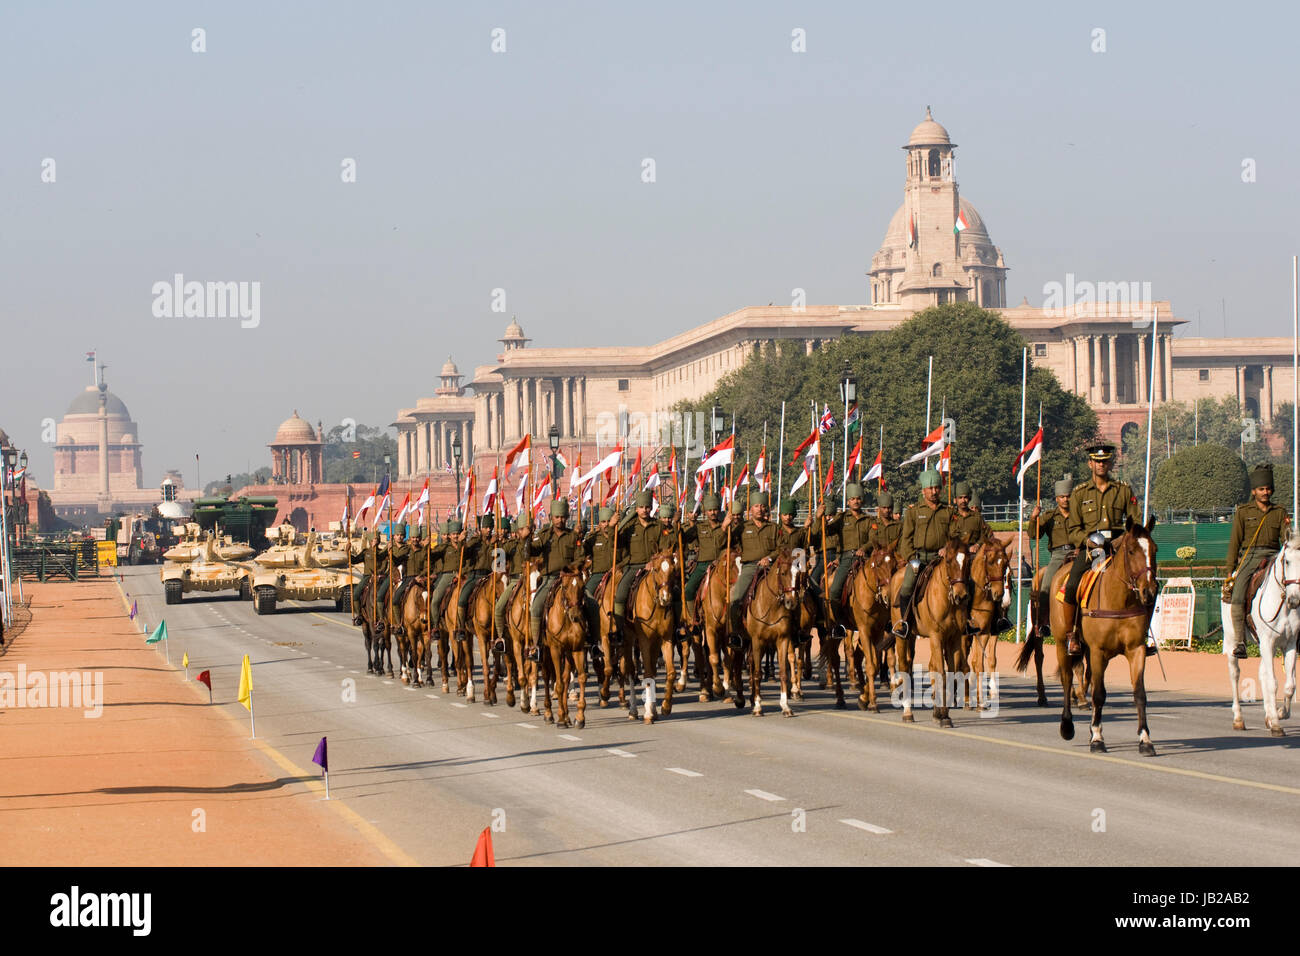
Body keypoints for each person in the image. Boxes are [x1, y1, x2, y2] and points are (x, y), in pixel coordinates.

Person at [1060, 443, 1145, 655]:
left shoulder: (1123, 490)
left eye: (1105, 461)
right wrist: (1087, 542)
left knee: (1148, 582)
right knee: (1071, 586)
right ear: (1090, 464)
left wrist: (1128, 539)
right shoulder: (1079, 494)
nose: (1101, 465)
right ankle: (1073, 635)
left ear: (1111, 464)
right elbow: (1073, 530)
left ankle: (1144, 634)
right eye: (1097, 461)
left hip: (1119, 548)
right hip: (1093, 550)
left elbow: (1135, 522)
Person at [1223, 464, 1291, 659]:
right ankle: (1240, 642)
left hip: (1274, 555)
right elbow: (1235, 542)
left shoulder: (1279, 512)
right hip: (1250, 556)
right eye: (1261, 489)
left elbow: (1285, 540)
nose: (1265, 492)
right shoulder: (1243, 512)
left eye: (1268, 489)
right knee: (1237, 596)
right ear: (1254, 491)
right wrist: (1230, 569)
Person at [893, 469, 955, 637]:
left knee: (963, 583)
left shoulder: (948, 511)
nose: (934, 492)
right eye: (930, 488)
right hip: (919, 559)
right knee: (906, 587)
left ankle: (966, 620)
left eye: (937, 488)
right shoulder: (914, 512)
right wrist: (912, 559)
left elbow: (955, 536)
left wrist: (947, 548)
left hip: (941, 559)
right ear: (923, 490)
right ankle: (904, 622)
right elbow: (905, 539)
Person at [818, 483, 873, 630]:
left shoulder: (868, 520)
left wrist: (864, 548)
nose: (856, 501)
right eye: (853, 499)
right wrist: (820, 518)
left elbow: (874, 539)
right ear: (848, 501)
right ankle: (838, 623)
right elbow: (827, 531)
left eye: (858, 498)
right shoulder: (841, 518)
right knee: (835, 590)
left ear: (862, 500)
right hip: (846, 559)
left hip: (865, 559)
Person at [527, 500, 582, 645]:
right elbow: (531, 551)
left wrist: (569, 569)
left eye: (563, 517)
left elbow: (580, 558)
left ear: (567, 517)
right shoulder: (544, 536)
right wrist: (526, 538)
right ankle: (536, 645)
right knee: (536, 607)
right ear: (551, 517)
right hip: (549, 579)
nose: (560, 520)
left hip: (569, 579)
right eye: (557, 517)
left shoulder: (572, 536)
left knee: (591, 603)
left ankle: (593, 642)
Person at [728, 492, 779, 641]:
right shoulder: (743, 527)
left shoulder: (773, 527)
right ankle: (736, 633)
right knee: (735, 598)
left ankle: (793, 630)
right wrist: (726, 525)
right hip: (750, 567)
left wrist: (769, 558)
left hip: (770, 567)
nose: (760, 509)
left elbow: (781, 548)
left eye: (762, 506)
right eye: (756, 506)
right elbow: (729, 541)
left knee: (790, 594)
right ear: (750, 510)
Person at [1028, 479, 1074, 637]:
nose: (1065, 499)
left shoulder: (1079, 515)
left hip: (1078, 552)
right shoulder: (1049, 516)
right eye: (1062, 497)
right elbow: (1034, 535)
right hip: (1058, 555)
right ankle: (1044, 623)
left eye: (1068, 496)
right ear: (1056, 499)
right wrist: (1034, 518)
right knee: (1045, 588)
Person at [679, 493, 731, 630]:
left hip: (722, 564)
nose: (713, 512)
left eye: (715, 509)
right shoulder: (699, 527)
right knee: (689, 590)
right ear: (705, 511)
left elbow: (721, 544)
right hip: (702, 565)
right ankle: (692, 620)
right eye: (710, 510)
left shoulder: (726, 526)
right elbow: (683, 538)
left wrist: (725, 527)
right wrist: (676, 523)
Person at [582, 506, 617, 643]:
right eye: (603, 521)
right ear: (599, 523)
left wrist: (618, 567)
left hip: (615, 573)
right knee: (585, 597)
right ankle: (588, 632)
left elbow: (627, 555)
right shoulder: (592, 539)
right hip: (597, 575)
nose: (606, 524)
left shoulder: (618, 536)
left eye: (609, 521)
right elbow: (582, 553)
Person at [348, 530, 386, 625]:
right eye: (373, 540)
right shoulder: (365, 552)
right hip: (367, 577)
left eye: (377, 539)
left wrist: (379, 573)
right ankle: (359, 615)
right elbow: (354, 560)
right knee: (356, 594)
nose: (375, 541)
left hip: (380, 577)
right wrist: (347, 551)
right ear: (369, 541)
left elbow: (385, 565)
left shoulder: (383, 552)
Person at [949, 481, 991, 546]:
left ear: (969, 499)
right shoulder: (950, 516)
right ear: (955, 500)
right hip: (954, 551)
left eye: (965, 497)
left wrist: (977, 545)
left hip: (972, 552)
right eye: (960, 498)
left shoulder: (977, 517)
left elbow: (985, 534)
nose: (963, 500)